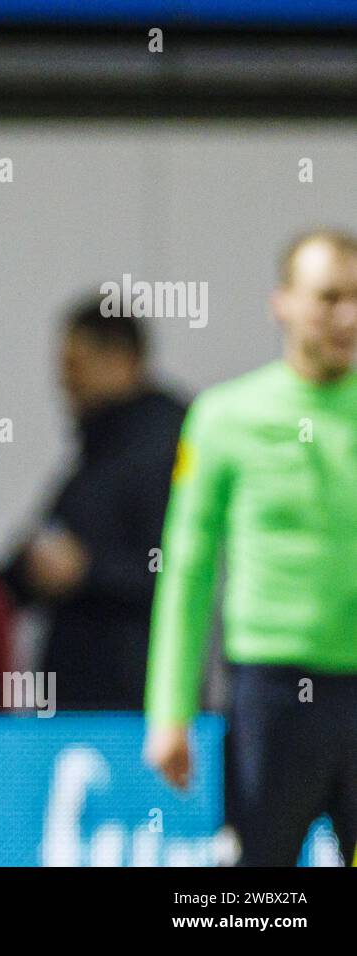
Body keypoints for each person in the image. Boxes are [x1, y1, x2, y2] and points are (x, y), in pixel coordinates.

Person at [145, 229, 357, 866]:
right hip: (272, 691)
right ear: (283, 303)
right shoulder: (224, 417)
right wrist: (170, 710)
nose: (348, 316)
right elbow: (187, 567)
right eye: (329, 298)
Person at [0, 298, 186, 710]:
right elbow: (20, 574)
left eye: (74, 367)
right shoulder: (99, 453)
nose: (64, 383)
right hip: (88, 707)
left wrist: (88, 572)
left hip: (139, 706)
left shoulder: (169, 446)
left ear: (121, 360)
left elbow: (184, 572)